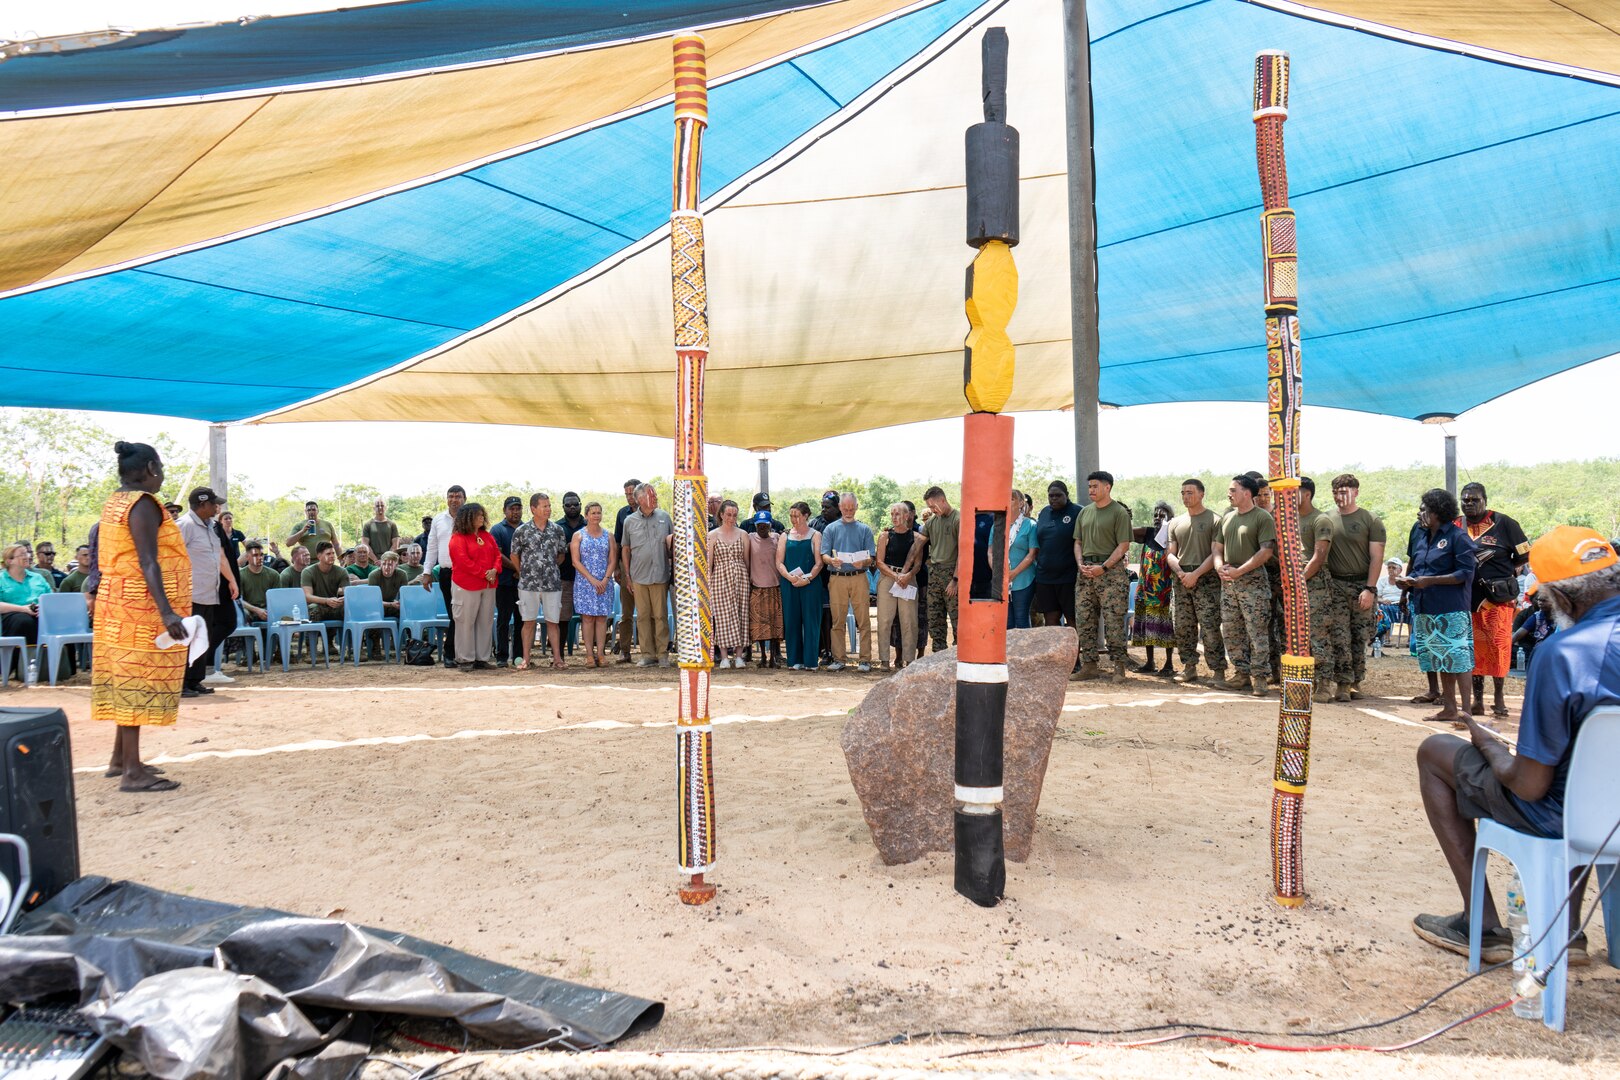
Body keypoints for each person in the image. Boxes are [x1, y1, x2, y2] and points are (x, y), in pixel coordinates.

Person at [1411, 526, 1620, 965]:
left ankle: (1482, 925)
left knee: (1434, 751)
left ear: (1562, 597)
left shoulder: (1563, 653)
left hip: (1573, 816)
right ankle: (1567, 930)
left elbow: (1528, 785)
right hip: (1611, 808)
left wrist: (1492, 748)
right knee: (1588, 774)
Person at [91, 441, 189, 792]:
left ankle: (121, 759)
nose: (162, 475)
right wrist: (166, 611)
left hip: (116, 603)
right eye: (160, 467)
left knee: (125, 679)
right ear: (151, 467)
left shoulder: (115, 500)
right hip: (138, 608)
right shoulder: (143, 504)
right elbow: (149, 560)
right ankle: (133, 772)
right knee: (137, 681)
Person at [1401, 488, 1477, 724]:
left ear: (1437, 512)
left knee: (1459, 659)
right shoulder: (1422, 538)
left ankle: (1465, 712)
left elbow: (1465, 573)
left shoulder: (1458, 537)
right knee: (1439, 658)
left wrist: (1430, 581)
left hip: (1451, 608)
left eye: (1424, 509)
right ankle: (1449, 708)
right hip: (1426, 606)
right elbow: (1418, 568)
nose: (1420, 513)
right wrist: (1408, 583)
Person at [1458, 483, 1530, 719]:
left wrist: (1510, 572)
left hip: (1497, 598)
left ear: (1485, 500)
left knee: (1498, 647)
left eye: (1474, 500)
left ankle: (1499, 699)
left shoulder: (1505, 523)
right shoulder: (1456, 525)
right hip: (1466, 598)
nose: (1469, 504)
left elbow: (1525, 554)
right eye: (1465, 500)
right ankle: (1477, 700)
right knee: (1474, 650)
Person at [1325, 474, 1386, 700]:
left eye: (1344, 492)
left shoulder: (1371, 520)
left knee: (1359, 635)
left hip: (1361, 584)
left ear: (1356, 492)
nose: (1339, 497)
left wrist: (1369, 589)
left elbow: (1376, 558)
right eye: (1335, 492)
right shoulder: (1326, 519)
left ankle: (1356, 681)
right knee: (1339, 635)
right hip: (1335, 584)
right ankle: (1342, 682)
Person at [1213, 475, 1275, 697]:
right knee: (1231, 630)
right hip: (1229, 582)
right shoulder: (1227, 518)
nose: (1229, 494)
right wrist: (1219, 566)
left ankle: (1259, 678)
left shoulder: (1262, 518)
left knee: (1256, 631)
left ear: (1247, 493)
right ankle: (1241, 674)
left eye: (1233, 490)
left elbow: (1266, 551)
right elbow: (1217, 547)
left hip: (1253, 581)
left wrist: (1240, 571)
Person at [177, 487, 238, 696]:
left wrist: (231, 580)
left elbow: (219, 556)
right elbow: (171, 557)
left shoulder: (211, 526)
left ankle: (195, 680)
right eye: (213, 503)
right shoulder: (184, 525)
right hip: (190, 593)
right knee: (188, 638)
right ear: (202, 505)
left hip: (209, 592)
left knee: (203, 636)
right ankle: (181, 682)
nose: (216, 507)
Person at [1073, 471, 1133, 683]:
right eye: (1089, 486)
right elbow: (1078, 541)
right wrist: (1080, 563)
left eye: (1095, 486)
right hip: (1086, 571)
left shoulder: (1119, 512)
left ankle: (1119, 666)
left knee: (1114, 619)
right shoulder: (1085, 513)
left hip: (1111, 573)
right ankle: (1089, 665)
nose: (1091, 490)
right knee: (1085, 618)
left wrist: (1104, 567)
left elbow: (1124, 544)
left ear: (1107, 487)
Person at [1166, 478, 1224, 686]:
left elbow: (1216, 552)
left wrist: (1196, 574)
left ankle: (1218, 670)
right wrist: (1181, 572)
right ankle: (1189, 667)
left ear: (1201, 494)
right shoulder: (1175, 523)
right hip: (1182, 579)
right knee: (1182, 626)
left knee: (1209, 626)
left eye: (1190, 492)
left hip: (1206, 579)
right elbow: (1170, 553)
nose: (1186, 496)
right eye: (1183, 493)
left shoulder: (1215, 520)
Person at [1293, 477, 1344, 703]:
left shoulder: (1320, 519)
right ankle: (1304, 681)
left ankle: (1324, 683)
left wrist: (1299, 581)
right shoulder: (1289, 520)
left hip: (1314, 582)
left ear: (1306, 494)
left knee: (1317, 633)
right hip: (1293, 580)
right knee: (1296, 633)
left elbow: (1318, 556)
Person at [511, 493, 567, 671]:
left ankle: (557, 659)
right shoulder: (522, 531)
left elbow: (561, 554)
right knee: (528, 622)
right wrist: (523, 572)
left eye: (549, 505)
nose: (548, 509)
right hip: (528, 584)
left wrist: (549, 568)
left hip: (552, 584)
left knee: (553, 622)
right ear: (533, 509)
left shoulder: (557, 530)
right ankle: (526, 659)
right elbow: (514, 555)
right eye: (544, 506)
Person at [821, 494, 877, 672]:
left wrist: (865, 562)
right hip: (837, 578)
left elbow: (871, 556)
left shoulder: (865, 529)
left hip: (859, 577)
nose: (848, 511)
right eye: (845, 508)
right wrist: (831, 561)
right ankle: (839, 659)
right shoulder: (830, 529)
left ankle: (865, 660)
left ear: (856, 506)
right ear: (839, 507)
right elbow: (824, 555)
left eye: (851, 508)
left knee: (863, 620)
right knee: (837, 620)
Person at [621, 482, 673, 667]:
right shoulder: (629, 521)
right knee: (642, 616)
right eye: (652, 495)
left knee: (660, 616)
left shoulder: (665, 517)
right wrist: (627, 576)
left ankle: (663, 654)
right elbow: (625, 550)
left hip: (660, 575)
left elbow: (673, 546)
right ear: (640, 499)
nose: (656, 497)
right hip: (638, 577)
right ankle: (647, 655)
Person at [447, 502, 501, 669]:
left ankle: (482, 658)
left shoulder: (487, 536)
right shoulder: (457, 538)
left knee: (485, 621)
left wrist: (495, 569)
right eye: (478, 515)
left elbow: (497, 554)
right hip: (466, 585)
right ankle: (465, 659)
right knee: (465, 622)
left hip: (488, 585)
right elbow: (463, 562)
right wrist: (484, 573)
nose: (482, 517)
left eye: (482, 515)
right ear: (468, 518)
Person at [1128, 500, 1176, 677]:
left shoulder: (1172, 536)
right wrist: (1125, 517)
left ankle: (1169, 663)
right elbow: (1128, 532)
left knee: (1165, 626)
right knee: (1146, 624)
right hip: (1145, 587)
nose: (1157, 518)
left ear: (1169, 518)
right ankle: (1150, 662)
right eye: (1155, 514)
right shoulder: (1148, 533)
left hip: (1163, 589)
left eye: (1161, 515)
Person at [777, 501, 825, 671]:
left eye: (797, 515)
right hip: (789, 584)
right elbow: (779, 562)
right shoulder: (785, 535)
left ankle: (811, 661)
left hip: (810, 584)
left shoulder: (816, 535)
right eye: (791, 515)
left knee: (811, 620)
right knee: (792, 620)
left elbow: (819, 563)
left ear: (806, 516)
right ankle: (794, 660)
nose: (793, 519)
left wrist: (808, 578)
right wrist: (789, 577)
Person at [874, 502, 923, 669]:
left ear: (907, 516)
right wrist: (896, 576)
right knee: (885, 620)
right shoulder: (885, 536)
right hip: (889, 577)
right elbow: (879, 562)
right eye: (892, 514)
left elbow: (918, 564)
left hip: (908, 580)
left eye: (898, 514)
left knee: (909, 620)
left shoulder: (916, 537)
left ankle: (910, 660)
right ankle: (884, 660)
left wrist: (907, 576)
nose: (894, 517)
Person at [423, 485, 466, 669]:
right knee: (454, 614)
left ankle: (462, 654)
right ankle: (451, 654)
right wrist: (426, 572)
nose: (454, 499)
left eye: (458, 496)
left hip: (468, 573)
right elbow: (431, 547)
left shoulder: (471, 518)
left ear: (465, 498)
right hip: (447, 573)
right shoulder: (439, 520)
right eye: (451, 496)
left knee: (463, 614)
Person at [570, 501, 617, 667]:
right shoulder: (578, 535)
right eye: (593, 512)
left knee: (602, 619)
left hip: (604, 582)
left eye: (599, 512)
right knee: (588, 618)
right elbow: (576, 561)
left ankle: (601, 654)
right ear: (586, 515)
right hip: (585, 583)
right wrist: (592, 580)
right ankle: (589, 655)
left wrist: (604, 579)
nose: (596, 515)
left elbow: (612, 560)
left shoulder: (608, 536)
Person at [1033, 481, 1080, 641]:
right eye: (1051, 496)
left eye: (1058, 495)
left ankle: (1075, 661)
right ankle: (1055, 660)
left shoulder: (1077, 512)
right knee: (1051, 621)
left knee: (1072, 620)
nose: (1054, 499)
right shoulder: (1044, 513)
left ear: (1066, 495)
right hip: (1045, 577)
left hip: (1069, 577)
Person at [1249, 473, 1284, 682]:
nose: (1262, 499)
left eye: (1265, 494)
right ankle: (1273, 671)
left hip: (1280, 576)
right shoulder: (1252, 517)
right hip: (1260, 577)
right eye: (1259, 495)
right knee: (1265, 627)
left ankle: (1287, 670)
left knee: (1284, 625)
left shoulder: (1280, 517)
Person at [708, 500, 751, 668]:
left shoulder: (743, 534)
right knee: (722, 617)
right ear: (721, 515)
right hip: (719, 578)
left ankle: (739, 655)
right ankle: (724, 656)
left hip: (740, 577)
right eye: (728, 514)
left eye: (734, 515)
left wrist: (747, 578)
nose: (731, 518)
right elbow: (709, 563)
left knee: (741, 615)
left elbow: (747, 561)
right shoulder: (712, 535)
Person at [0, 543, 51, 682]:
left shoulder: (38, 578)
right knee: (23, 621)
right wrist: (23, 609)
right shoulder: (1, 579)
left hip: (39, 614)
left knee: (54, 622)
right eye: (22, 554)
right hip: (10, 615)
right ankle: (16, 666)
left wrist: (44, 608)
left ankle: (47, 667)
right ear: (9, 560)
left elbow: (50, 598)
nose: (27, 557)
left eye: (27, 554)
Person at [919, 486, 960, 655]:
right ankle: (939, 655)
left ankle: (959, 656)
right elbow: (918, 546)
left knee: (957, 619)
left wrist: (955, 580)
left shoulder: (958, 519)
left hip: (952, 573)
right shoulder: (932, 522)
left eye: (934, 506)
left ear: (943, 500)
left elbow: (963, 552)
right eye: (929, 507)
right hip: (935, 573)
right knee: (935, 618)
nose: (932, 510)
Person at [490, 496, 524, 667]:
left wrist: (522, 572)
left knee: (522, 621)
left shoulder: (527, 529)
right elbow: (497, 555)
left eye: (518, 508)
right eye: (512, 508)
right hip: (503, 583)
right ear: (505, 510)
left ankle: (519, 656)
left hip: (523, 584)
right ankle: (502, 656)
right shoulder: (497, 530)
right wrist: (517, 568)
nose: (515, 512)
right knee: (503, 620)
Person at [747, 511, 784, 668]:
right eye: (759, 525)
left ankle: (773, 657)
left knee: (775, 626)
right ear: (755, 526)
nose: (762, 528)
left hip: (775, 587)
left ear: (770, 525)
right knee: (759, 627)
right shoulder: (749, 538)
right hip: (757, 587)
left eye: (765, 525)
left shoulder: (776, 538)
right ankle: (762, 656)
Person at [300, 540, 349, 652]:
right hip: (318, 606)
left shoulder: (341, 571)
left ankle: (354, 649)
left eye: (333, 553)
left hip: (334, 605)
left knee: (351, 608)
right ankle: (311, 649)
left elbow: (348, 593)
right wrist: (326, 601)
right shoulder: (308, 572)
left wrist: (343, 600)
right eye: (328, 554)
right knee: (313, 609)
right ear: (319, 556)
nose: (332, 556)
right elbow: (307, 596)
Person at [613, 479, 641, 663]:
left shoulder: (653, 513)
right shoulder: (622, 514)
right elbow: (617, 543)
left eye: (632, 494)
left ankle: (651, 650)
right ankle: (625, 650)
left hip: (646, 567)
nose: (629, 498)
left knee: (651, 612)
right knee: (626, 612)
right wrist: (617, 567)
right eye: (626, 494)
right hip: (626, 566)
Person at [1005, 488, 1037, 631]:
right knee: (1007, 622)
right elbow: (991, 551)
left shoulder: (1030, 525)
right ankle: (1009, 653)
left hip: (1023, 579)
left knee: (1021, 619)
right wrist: (1000, 572)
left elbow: (1032, 554)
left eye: (1011, 499)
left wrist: (1014, 573)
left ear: (1020, 503)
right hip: (1003, 580)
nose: (1006, 501)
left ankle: (1026, 653)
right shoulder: (999, 524)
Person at [558, 492, 587, 639]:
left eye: (576, 504)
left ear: (580, 505)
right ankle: (559, 656)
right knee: (562, 618)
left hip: (587, 579)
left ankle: (592, 654)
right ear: (563, 507)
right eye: (568, 505)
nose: (572, 507)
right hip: (564, 578)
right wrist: (569, 547)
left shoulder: (589, 525)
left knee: (589, 618)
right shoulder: (557, 527)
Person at [238, 540, 279, 624]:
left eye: (261, 555)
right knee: (243, 613)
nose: (260, 558)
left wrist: (267, 610)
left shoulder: (273, 575)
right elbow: (239, 600)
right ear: (247, 557)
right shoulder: (240, 575)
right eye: (255, 555)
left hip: (268, 610)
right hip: (249, 610)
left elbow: (277, 599)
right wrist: (256, 610)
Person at [1375, 558, 1406, 652]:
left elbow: (1408, 595)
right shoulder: (1382, 580)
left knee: (1410, 610)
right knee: (1383, 609)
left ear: (1400, 570)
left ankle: (1410, 640)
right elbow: (1376, 596)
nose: (1391, 570)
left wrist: (1403, 601)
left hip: (1401, 604)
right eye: (1389, 567)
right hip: (1387, 604)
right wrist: (1383, 600)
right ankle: (1387, 639)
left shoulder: (1404, 581)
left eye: (1393, 567)